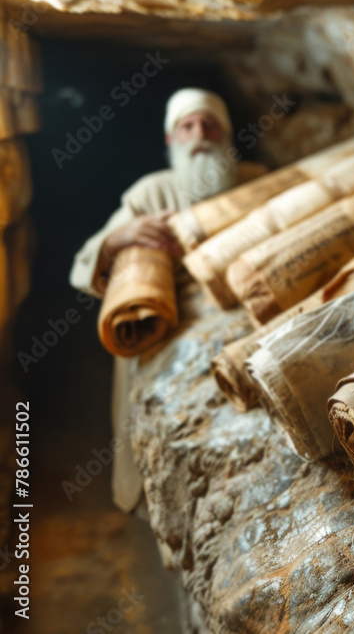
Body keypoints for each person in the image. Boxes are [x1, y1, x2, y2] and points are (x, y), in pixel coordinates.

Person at [70, 88, 268, 513]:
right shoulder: (149, 194)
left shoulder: (260, 182)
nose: (200, 135)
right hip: (168, 325)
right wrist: (116, 241)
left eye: (210, 125)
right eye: (187, 126)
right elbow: (83, 264)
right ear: (171, 141)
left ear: (228, 135)